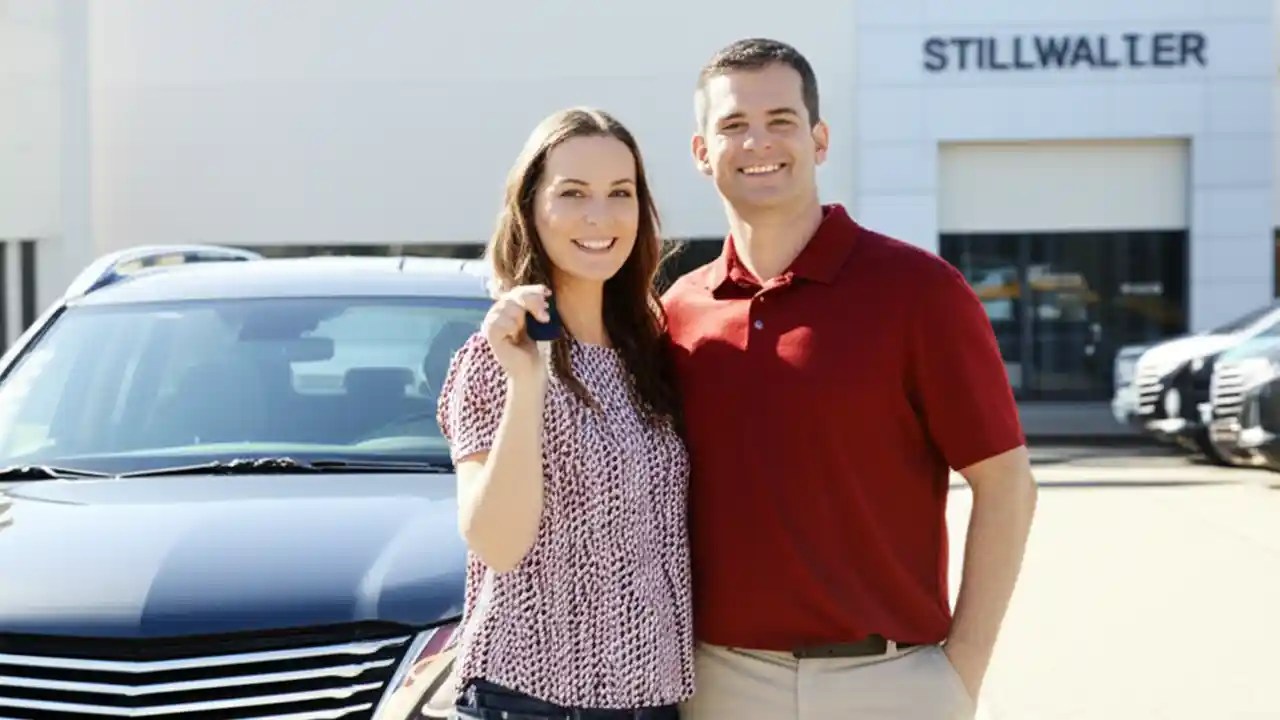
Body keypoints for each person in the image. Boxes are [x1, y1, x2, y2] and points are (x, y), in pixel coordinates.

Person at [662, 38, 1039, 719]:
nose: (758, 142)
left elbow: (1006, 481)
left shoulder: (919, 292)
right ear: (700, 153)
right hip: (718, 685)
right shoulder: (678, 313)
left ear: (819, 138)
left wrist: (961, 671)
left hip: (890, 682)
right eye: (733, 125)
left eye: (780, 120)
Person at [437, 107, 693, 719]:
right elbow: (495, 543)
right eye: (573, 193)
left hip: (653, 702)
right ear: (530, 208)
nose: (599, 216)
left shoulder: (650, 356)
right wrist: (528, 384)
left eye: (620, 193)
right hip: (529, 701)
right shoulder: (495, 356)